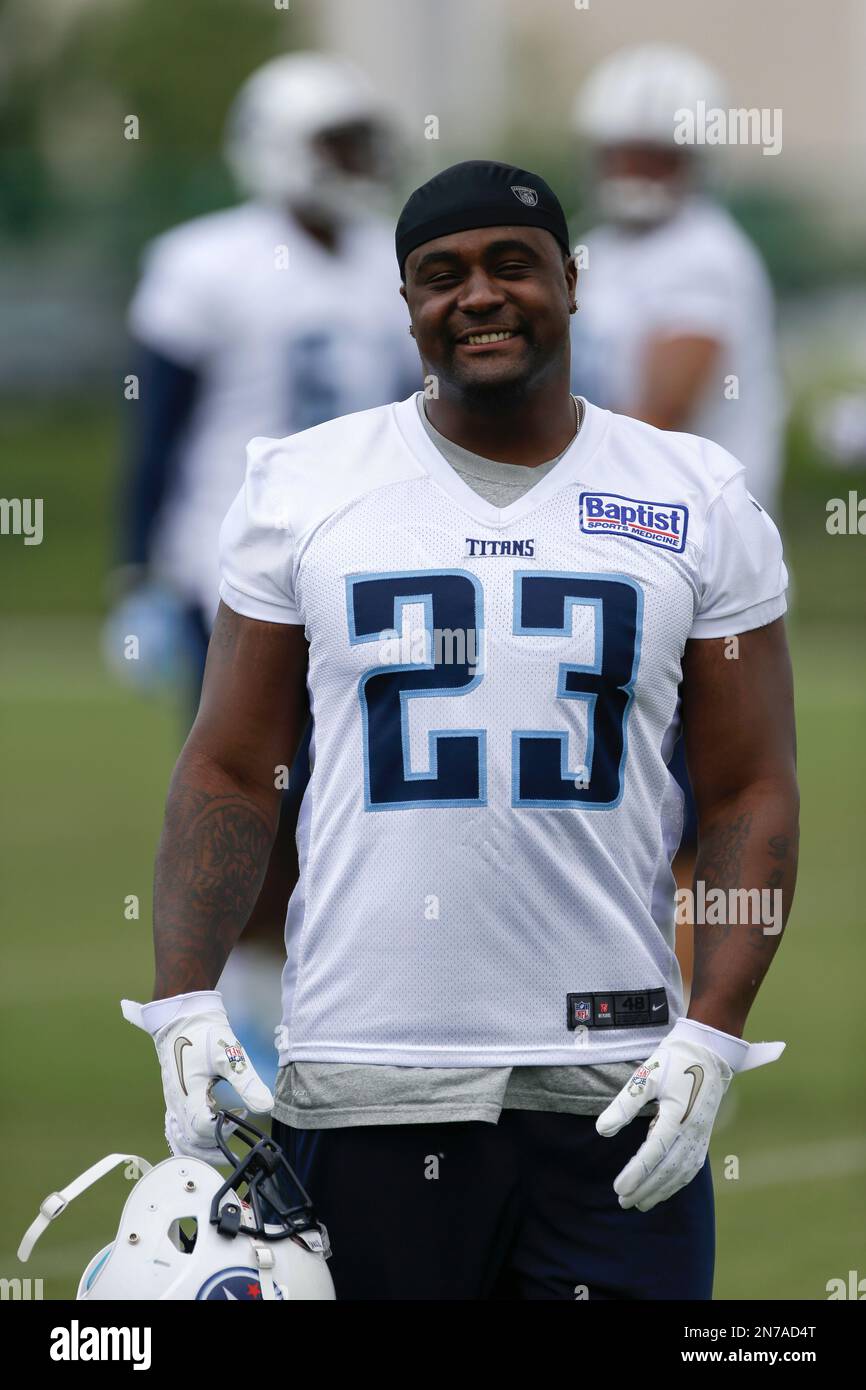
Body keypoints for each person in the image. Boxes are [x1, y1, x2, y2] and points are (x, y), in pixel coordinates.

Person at [123, 160, 799, 1301]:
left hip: (615, 1087)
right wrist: (187, 996)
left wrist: (713, 1026)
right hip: (364, 1073)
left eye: (509, 265)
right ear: (406, 304)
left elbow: (748, 789)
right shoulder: (304, 484)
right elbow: (233, 765)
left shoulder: (696, 495)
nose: (476, 295)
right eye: (440, 275)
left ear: (571, 283)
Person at [112, 52, 419, 1083]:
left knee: (366, 791)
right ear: (281, 147)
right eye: (337, 141)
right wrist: (136, 571)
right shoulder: (204, 261)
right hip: (230, 568)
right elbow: (157, 429)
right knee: (251, 792)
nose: (358, 161)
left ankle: (339, 994)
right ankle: (242, 1004)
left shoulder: (396, 256)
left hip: (370, 565)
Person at [570, 45, 788, 979]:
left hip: (688, 558)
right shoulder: (604, 248)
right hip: (612, 544)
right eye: (627, 153)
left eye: (659, 155)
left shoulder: (704, 257)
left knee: (695, 804)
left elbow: (660, 410)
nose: (639, 174)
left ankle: (691, 1027)